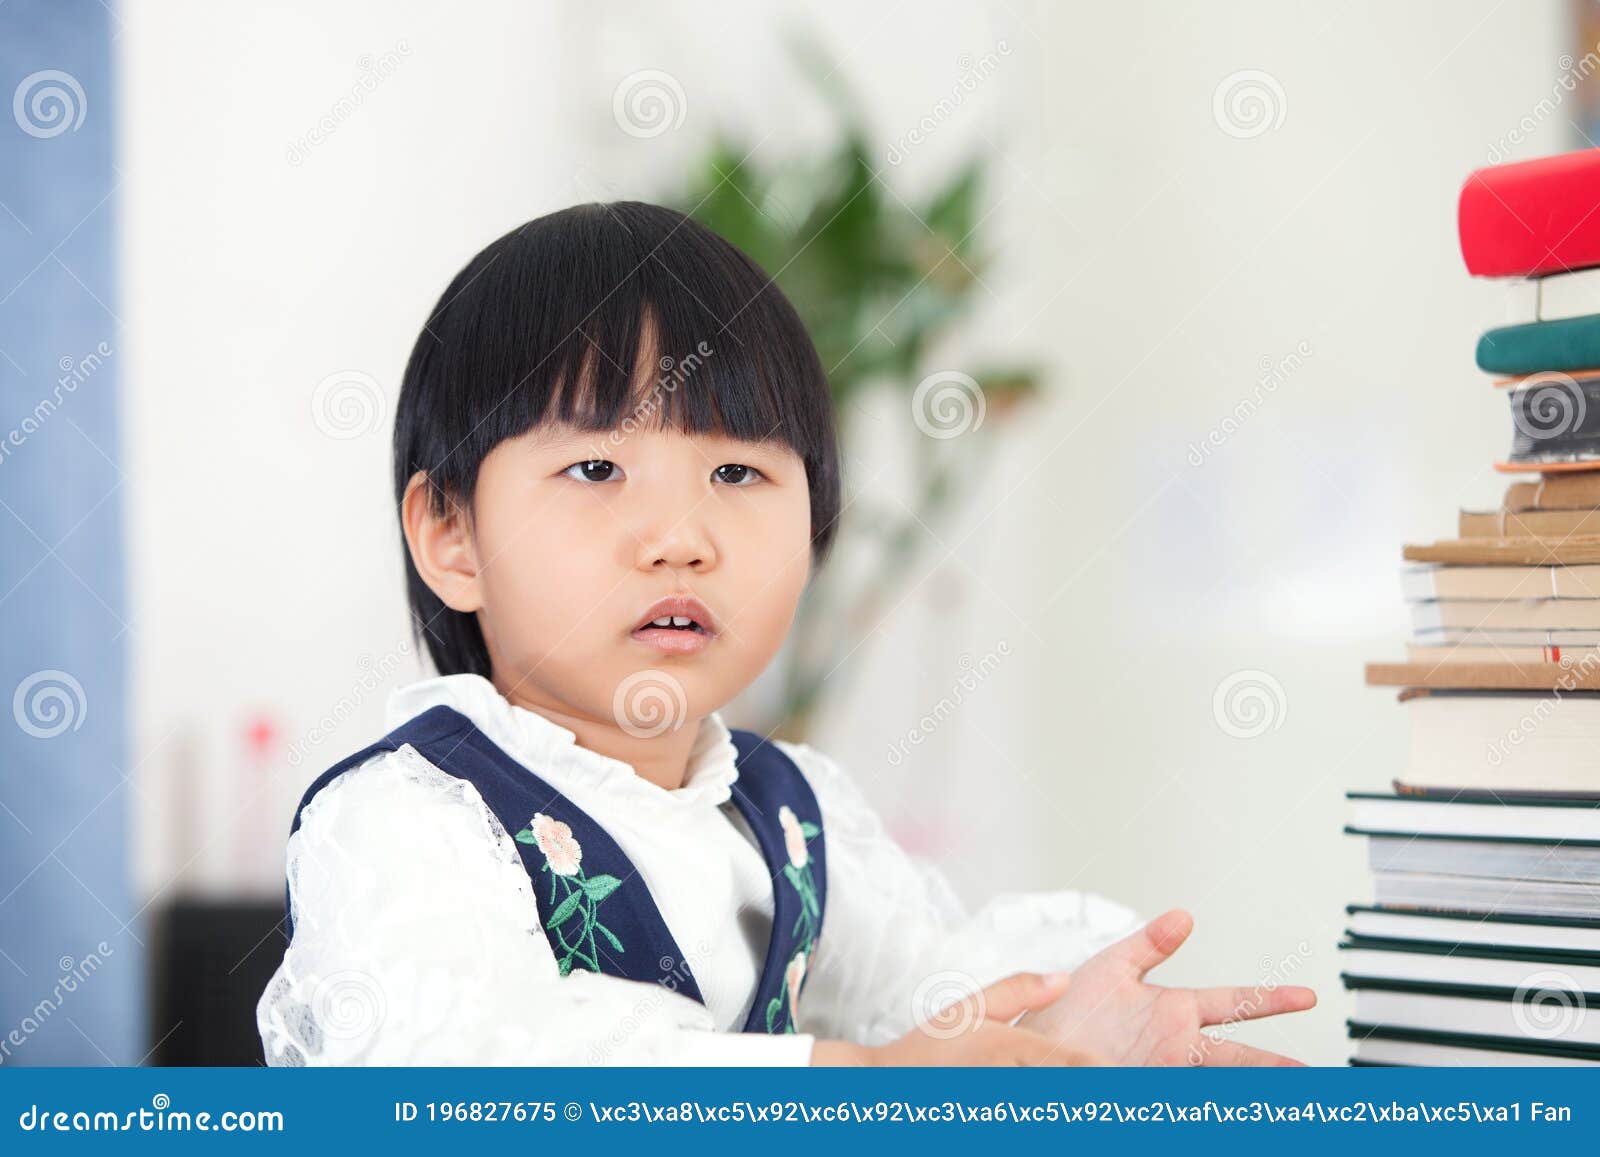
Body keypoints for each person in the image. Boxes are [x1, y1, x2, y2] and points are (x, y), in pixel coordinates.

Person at [256, 202, 1314, 1066]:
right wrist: (854, 1076)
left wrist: (1079, 1022)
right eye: (594, 469)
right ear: (450, 535)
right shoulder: (404, 815)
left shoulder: (792, 814)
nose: (680, 538)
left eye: (736, 474)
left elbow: (932, 978)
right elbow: (475, 1059)